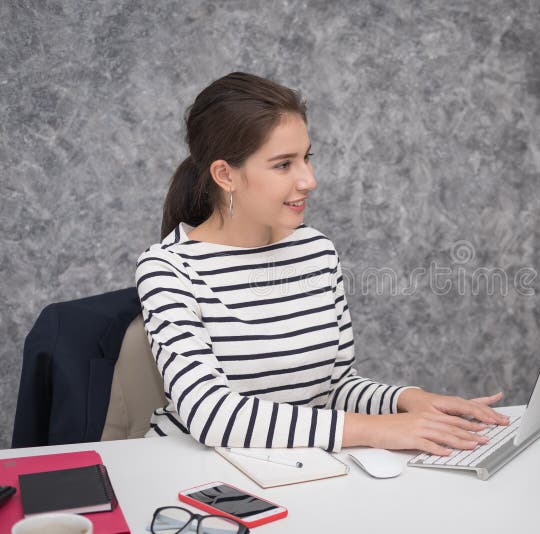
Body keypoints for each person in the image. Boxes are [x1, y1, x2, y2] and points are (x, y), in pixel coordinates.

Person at [135, 71, 510, 456]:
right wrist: (381, 429)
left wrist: (408, 401)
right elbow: (213, 415)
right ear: (225, 174)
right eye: (284, 165)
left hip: (292, 468)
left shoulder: (316, 250)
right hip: (186, 470)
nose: (309, 180)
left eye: (306, 158)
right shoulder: (168, 269)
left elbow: (331, 388)